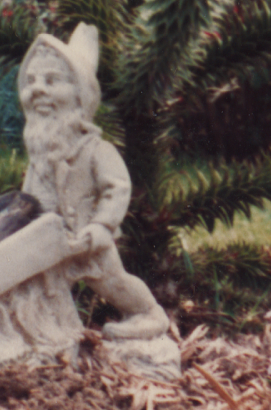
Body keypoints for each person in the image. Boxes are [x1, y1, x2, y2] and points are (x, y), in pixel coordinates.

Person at [17, 22, 169, 341]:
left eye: (52, 80)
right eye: (31, 81)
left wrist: (102, 226)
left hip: (84, 240)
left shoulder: (96, 151)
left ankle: (147, 313)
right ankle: (49, 332)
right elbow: (30, 192)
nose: (38, 89)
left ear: (81, 94)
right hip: (45, 240)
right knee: (38, 286)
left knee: (112, 280)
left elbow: (117, 188)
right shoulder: (40, 152)